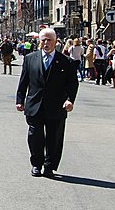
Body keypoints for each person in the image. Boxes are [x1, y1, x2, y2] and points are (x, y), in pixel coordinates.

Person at [16, 28, 78, 178]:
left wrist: (70, 100)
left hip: (56, 106)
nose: (46, 43)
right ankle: (36, 164)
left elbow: (72, 84)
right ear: (39, 42)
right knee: (35, 136)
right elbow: (23, 81)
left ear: (56, 42)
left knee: (54, 138)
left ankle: (49, 166)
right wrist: (20, 100)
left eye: (49, 40)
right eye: (43, 40)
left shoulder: (66, 62)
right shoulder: (30, 59)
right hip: (35, 105)